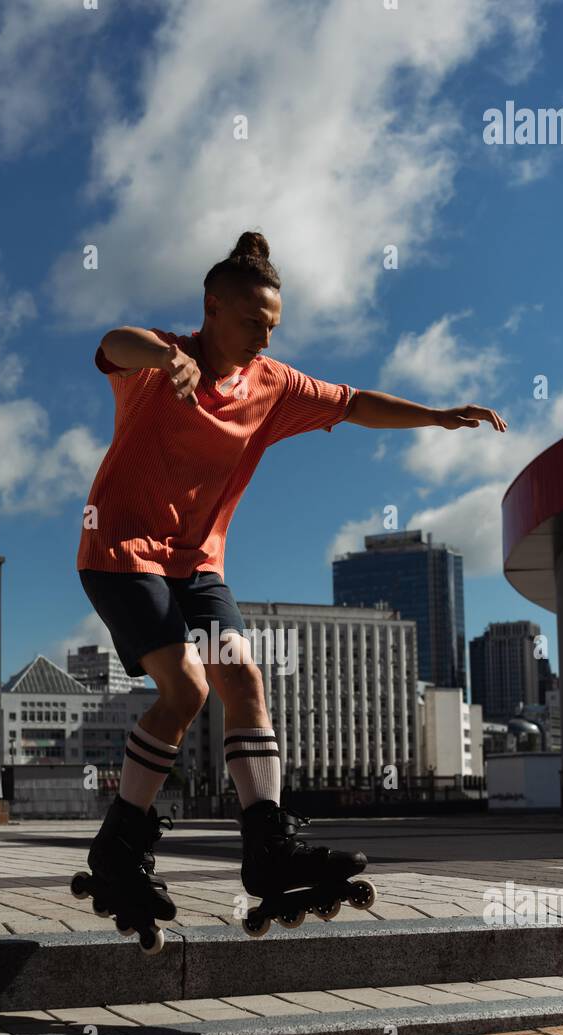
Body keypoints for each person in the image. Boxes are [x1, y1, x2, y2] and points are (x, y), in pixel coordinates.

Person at [78, 231, 507, 941]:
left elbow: (355, 401)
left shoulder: (271, 386)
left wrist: (434, 415)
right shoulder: (159, 361)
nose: (263, 336)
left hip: (198, 563)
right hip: (120, 552)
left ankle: (268, 850)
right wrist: (164, 356)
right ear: (212, 308)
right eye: (252, 322)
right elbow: (112, 342)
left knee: (243, 678)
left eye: (272, 325)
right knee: (183, 690)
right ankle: (120, 846)